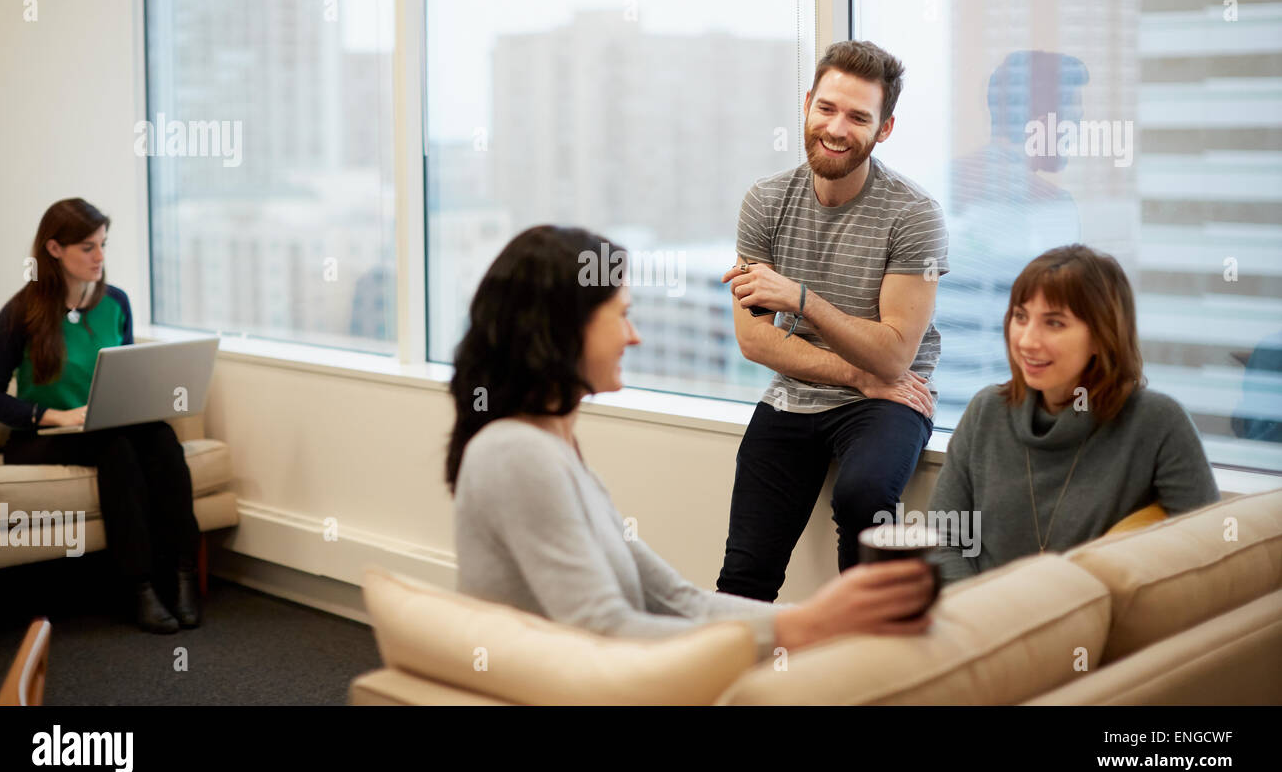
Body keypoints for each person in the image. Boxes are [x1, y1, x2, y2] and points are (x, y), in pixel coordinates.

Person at [447, 225, 935, 662]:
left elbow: (677, 599)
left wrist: (820, 620)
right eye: (621, 316)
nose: (633, 337)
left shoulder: (554, 452)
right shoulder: (515, 454)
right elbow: (605, 630)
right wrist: (808, 625)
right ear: (562, 331)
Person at [717, 39, 949, 602]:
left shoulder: (914, 215)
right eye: (827, 108)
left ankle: (865, 657)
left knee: (862, 493)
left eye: (858, 116)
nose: (837, 128)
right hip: (804, 392)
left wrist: (802, 300)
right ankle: (726, 681)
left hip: (890, 400)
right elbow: (752, 339)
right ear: (806, 104)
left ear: (884, 129)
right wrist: (857, 374)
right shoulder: (766, 201)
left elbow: (895, 356)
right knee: (744, 574)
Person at [928, 245, 1220, 582]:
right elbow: (944, 540)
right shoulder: (986, 411)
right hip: (983, 619)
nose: (1027, 341)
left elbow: (1208, 555)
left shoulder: (1157, 422)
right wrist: (988, 614)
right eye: (1021, 317)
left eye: (1054, 323)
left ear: (1101, 334)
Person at [0, 198, 202, 633]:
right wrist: (55, 416)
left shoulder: (116, 302)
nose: (100, 257)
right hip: (40, 437)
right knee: (115, 447)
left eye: (103, 244)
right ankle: (138, 587)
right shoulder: (21, 311)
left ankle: (181, 575)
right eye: (87, 247)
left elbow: (124, 372)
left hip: (101, 424)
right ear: (54, 249)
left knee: (160, 438)